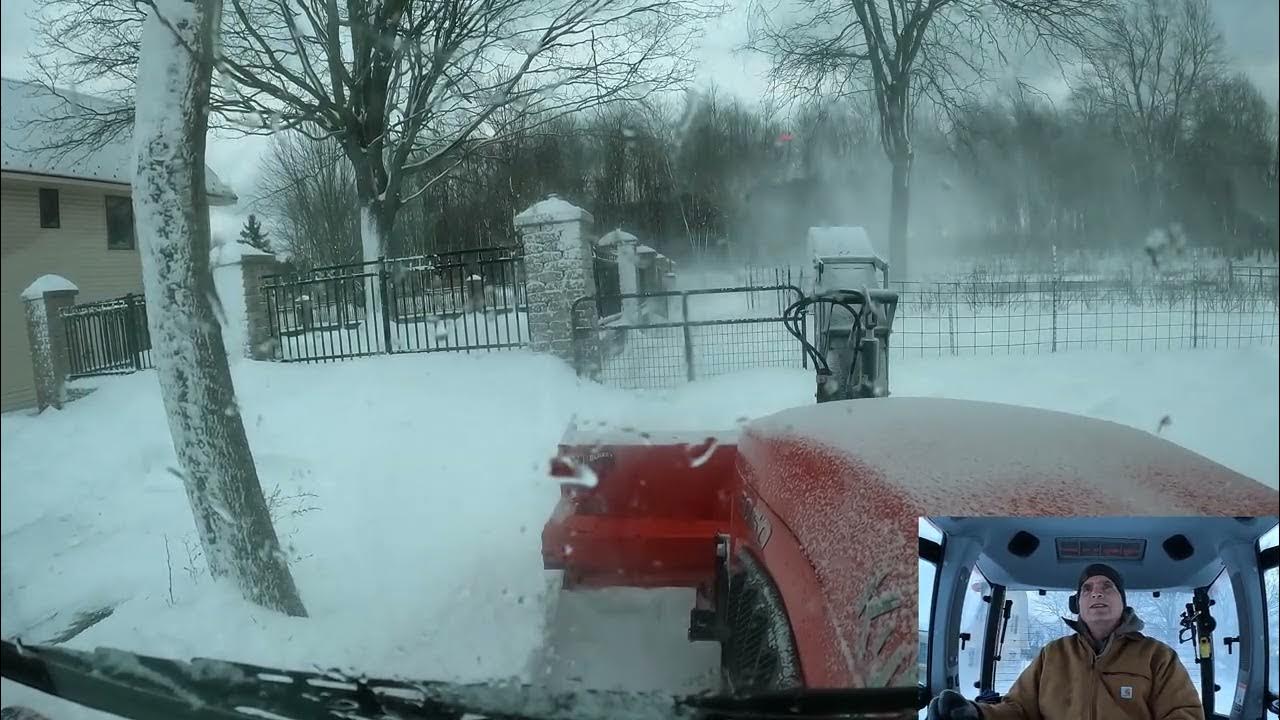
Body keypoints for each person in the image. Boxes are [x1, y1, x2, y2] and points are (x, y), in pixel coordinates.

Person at [926, 563, 1204, 720]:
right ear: (1078, 604)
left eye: (1107, 587)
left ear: (1123, 602)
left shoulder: (1157, 656)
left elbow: (1185, 714)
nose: (1097, 593)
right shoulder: (1053, 654)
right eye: (1087, 589)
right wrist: (978, 714)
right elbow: (1018, 709)